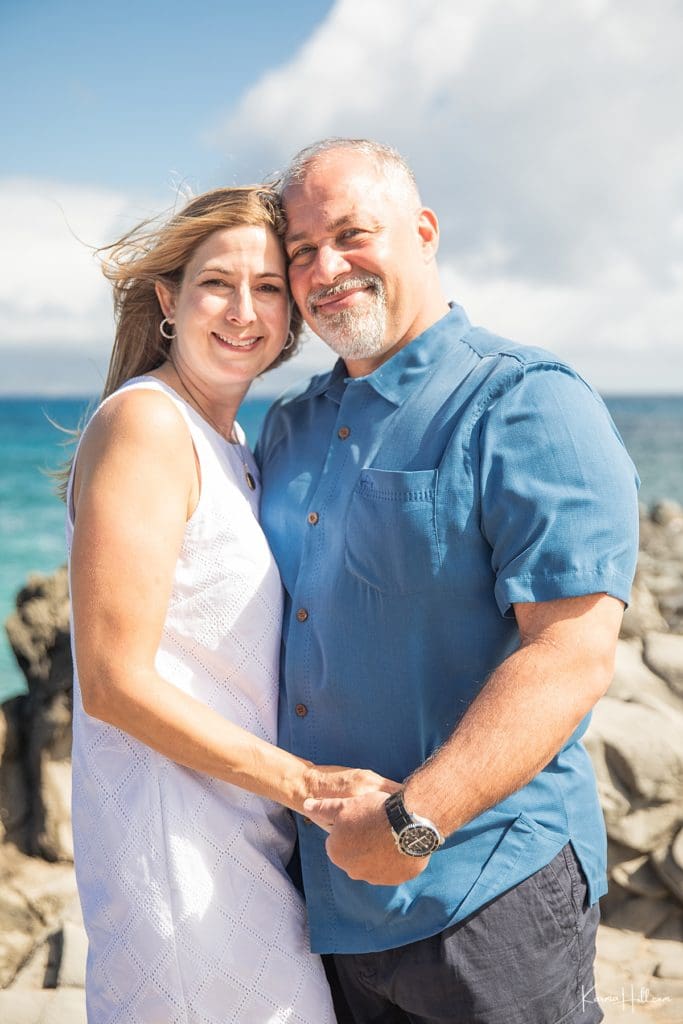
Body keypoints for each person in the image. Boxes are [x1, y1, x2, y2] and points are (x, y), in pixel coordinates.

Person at [256, 139, 640, 1024]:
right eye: (302, 251)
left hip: (487, 890)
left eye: (352, 234)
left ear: (423, 232)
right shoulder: (287, 426)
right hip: (326, 905)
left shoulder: (525, 399)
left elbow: (570, 653)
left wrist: (412, 822)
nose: (326, 268)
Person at [64, 185, 392, 1023]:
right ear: (168, 300)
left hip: (246, 840)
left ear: (292, 316)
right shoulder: (147, 425)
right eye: (217, 284)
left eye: (269, 288)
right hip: (174, 852)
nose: (244, 311)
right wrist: (308, 787)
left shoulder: (237, 444)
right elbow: (112, 682)